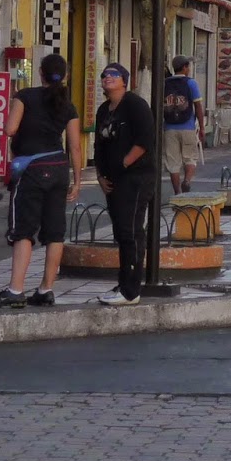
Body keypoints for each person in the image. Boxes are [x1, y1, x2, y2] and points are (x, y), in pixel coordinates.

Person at [0, 53, 83, 309]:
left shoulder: (25, 96)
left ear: (40, 72)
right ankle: (46, 289)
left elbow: (9, 129)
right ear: (65, 76)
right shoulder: (68, 105)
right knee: (54, 232)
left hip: (32, 169)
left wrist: (15, 109)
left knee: (23, 230)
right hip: (59, 168)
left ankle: (16, 289)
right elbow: (75, 146)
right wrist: (77, 181)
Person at [93, 63, 156, 305]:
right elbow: (99, 145)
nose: (107, 78)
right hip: (113, 181)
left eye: (113, 75)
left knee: (131, 231)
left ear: (124, 81)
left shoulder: (135, 105)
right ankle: (123, 282)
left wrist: (124, 164)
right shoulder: (103, 110)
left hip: (136, 178)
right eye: (104, 74)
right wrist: (101, 175)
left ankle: (131, 290)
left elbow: (144, 140)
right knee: (120, 232)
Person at [162, 56, 205, 195]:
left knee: (173, 163)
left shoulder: (164, 83)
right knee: (190, 158)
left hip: (169, 128)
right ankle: (186, 181)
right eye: (188, 66)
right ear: (185, 67)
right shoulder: (191, 83)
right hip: (188, 126)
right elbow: (198, 106)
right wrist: (202, 127)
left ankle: (177, 193)